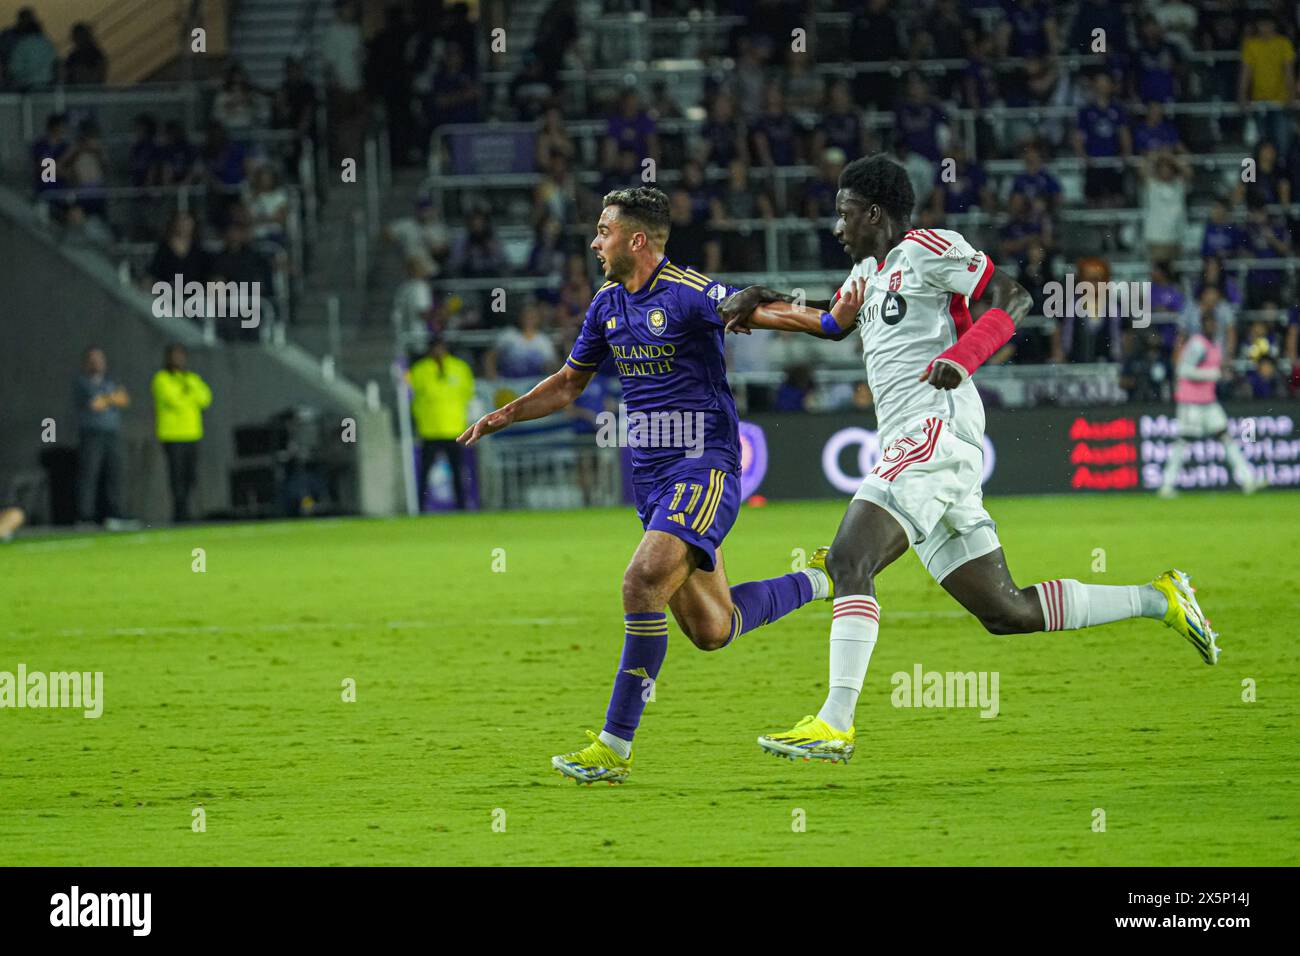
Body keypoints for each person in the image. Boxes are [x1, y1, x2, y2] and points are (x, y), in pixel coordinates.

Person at [721, 155, 1221, 764]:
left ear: (874, 212)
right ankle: (1161, 597)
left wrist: (966, 355)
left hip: (936, 429)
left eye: (844, 214)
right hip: (919, 445)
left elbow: (1014, 297)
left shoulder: (929, 248)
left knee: (852, 558)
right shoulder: (866, 273)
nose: (837, 228)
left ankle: (835, 722)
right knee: (1006, 609)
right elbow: (830, 322)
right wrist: (758, 301)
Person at [458, 187, 831, 784]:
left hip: (703, 465)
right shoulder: (607, 303)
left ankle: (613, 747)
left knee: (640, 581)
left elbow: (751, 309)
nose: (594, 241)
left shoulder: (686, 291)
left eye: (603, 230)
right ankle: (823, 577)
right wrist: (507, 413)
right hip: (651, 477)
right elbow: (568, 383)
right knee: (714, 629)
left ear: (636, 239)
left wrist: (829, 319)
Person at [1159, 309, 1262, 498]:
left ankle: (1248, 480)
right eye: (1208, 324)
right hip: (1191, 401)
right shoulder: (1197, 344)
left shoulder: (1213, 344)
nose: (1212, 327)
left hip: (1208, 401)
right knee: (1183, 442)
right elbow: (1182, 369)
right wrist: (1212, 374)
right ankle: (1166, 485)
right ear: (1202, 325)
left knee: (1225, 437)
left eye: (1214, 324)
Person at [408, 336, 474, 511]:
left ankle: (462, 507)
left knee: (457, 470)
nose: (439, 352)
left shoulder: (459, 368)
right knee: (425, 472)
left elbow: (467, 394)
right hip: (430, 429)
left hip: (454, 427)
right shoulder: (420, 370)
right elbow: (412, 395)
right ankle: (420, 507)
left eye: (442, 348)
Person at [152, 344, 212, 523]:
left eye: (180, 356)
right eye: (174, 356)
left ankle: (187, 511)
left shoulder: (191, 378)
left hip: (192, 433)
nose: (178, 359)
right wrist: (189, 394)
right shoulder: (161, 378)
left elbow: (206, 398)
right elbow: (173, 400)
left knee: (190, 476)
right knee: (176, 476)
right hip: (172, 434)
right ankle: (179, 514)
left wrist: (187, 393)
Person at [74, 347, 131, 528]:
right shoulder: (82, 382)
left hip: (111, 433)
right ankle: (85, 516)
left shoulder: (110, 380)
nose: (97, 363)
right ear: (86, 363)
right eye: (93, 360)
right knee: (89, 474)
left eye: (100, 359)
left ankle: (113, 515)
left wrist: (107, 398)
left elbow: (124, 399)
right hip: (91, 434)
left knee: (114, 473)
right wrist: (111, 398)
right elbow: (95, 404)